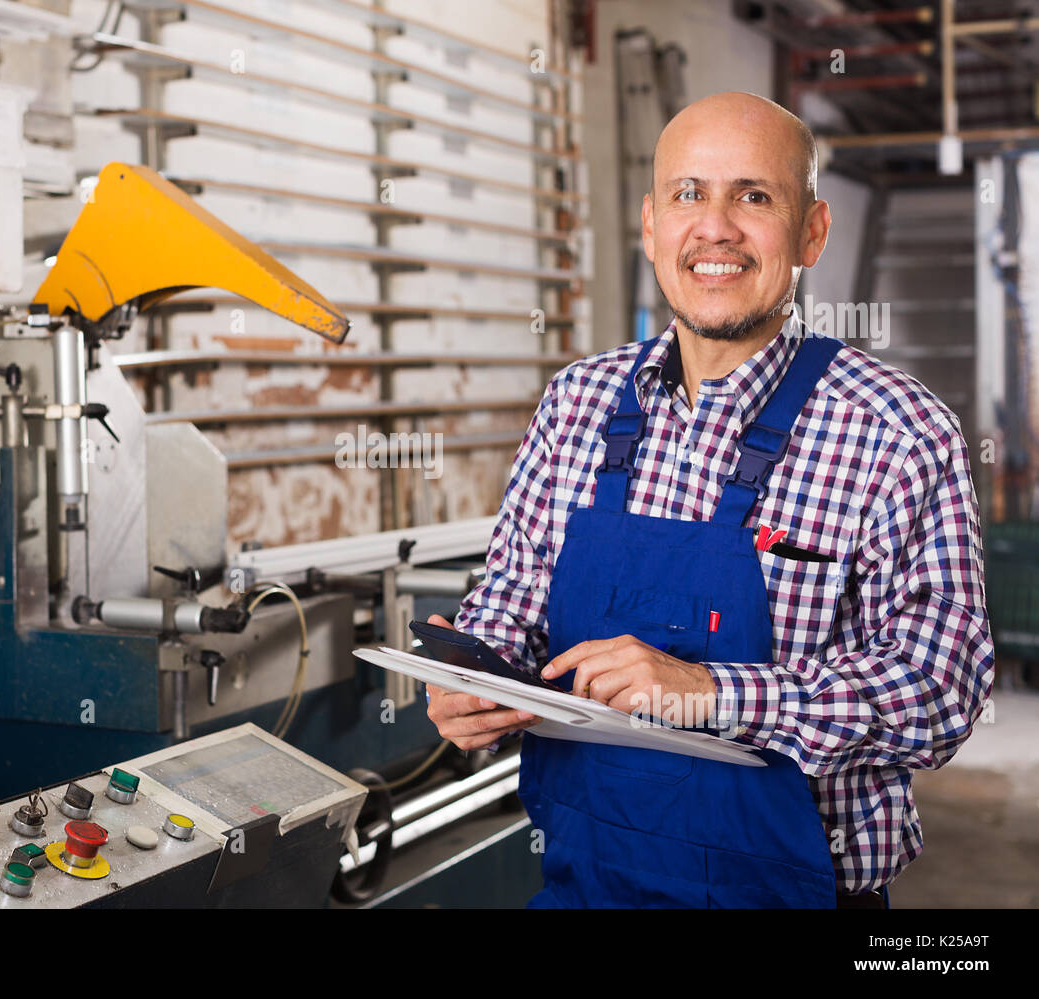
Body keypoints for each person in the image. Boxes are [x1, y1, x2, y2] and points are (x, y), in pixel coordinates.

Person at [423, 91, 994, 908]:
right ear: (653, 225)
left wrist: (713, 692)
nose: (716, 226)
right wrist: (476, 676)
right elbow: (515, 597)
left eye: (753, 196)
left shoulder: (897, 431)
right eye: (690, 194)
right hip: (586, 889)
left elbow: (941, 688)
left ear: (812, 232)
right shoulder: (575, 402)